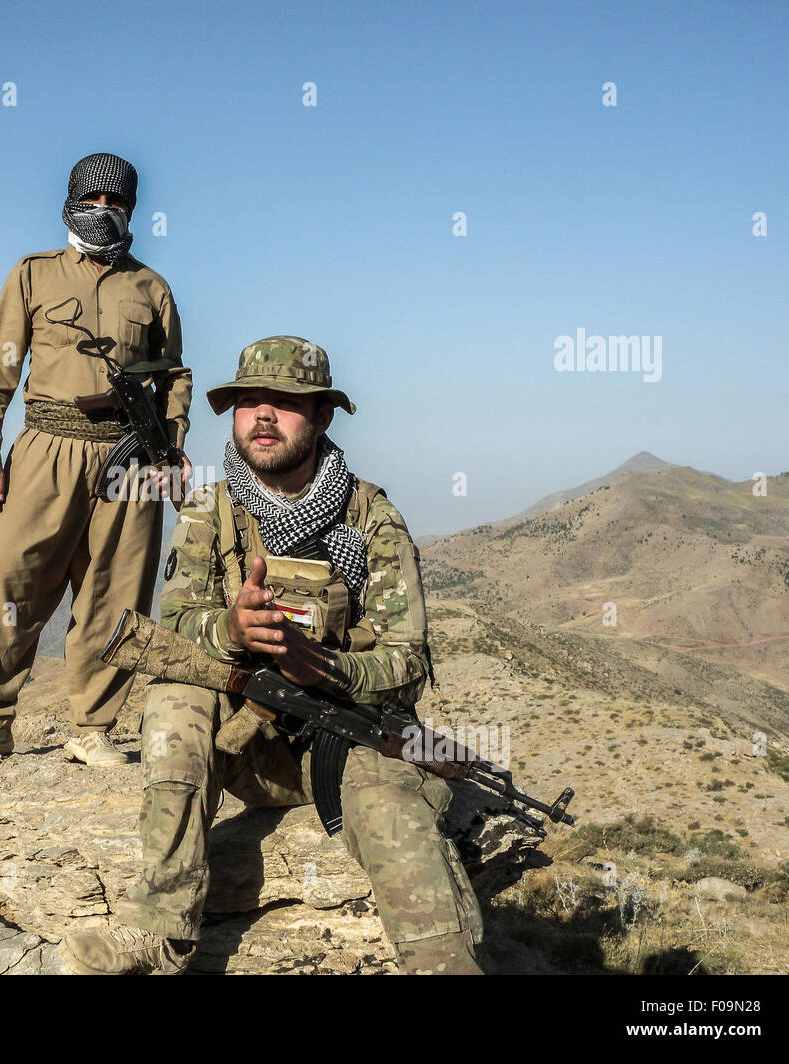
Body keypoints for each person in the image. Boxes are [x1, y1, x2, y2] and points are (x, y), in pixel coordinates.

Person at [61, 336, 484, 974]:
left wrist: (324, 668)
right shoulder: (211, 510)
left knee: (394, 816)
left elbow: (408, 661)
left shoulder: (372, 520)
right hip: (246, 746)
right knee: (176, 697)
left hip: (343, 742)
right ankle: (157, 930)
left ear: (322, 418)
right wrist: (230, 630)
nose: (262, 415)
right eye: (248, 401)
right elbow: (174, 623)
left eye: (285, 403)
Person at [0, 152, 192, 774]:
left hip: (129, 455)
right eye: (94, 200)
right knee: (10, 578)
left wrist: (170, 447)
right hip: (44, 449)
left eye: (117, 204)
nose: (104, 212)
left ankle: (93, 726)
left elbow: (175, 376)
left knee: (116, 594)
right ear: (70, 201)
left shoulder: (152, 288)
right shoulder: (33, 276)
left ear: (132, 211)